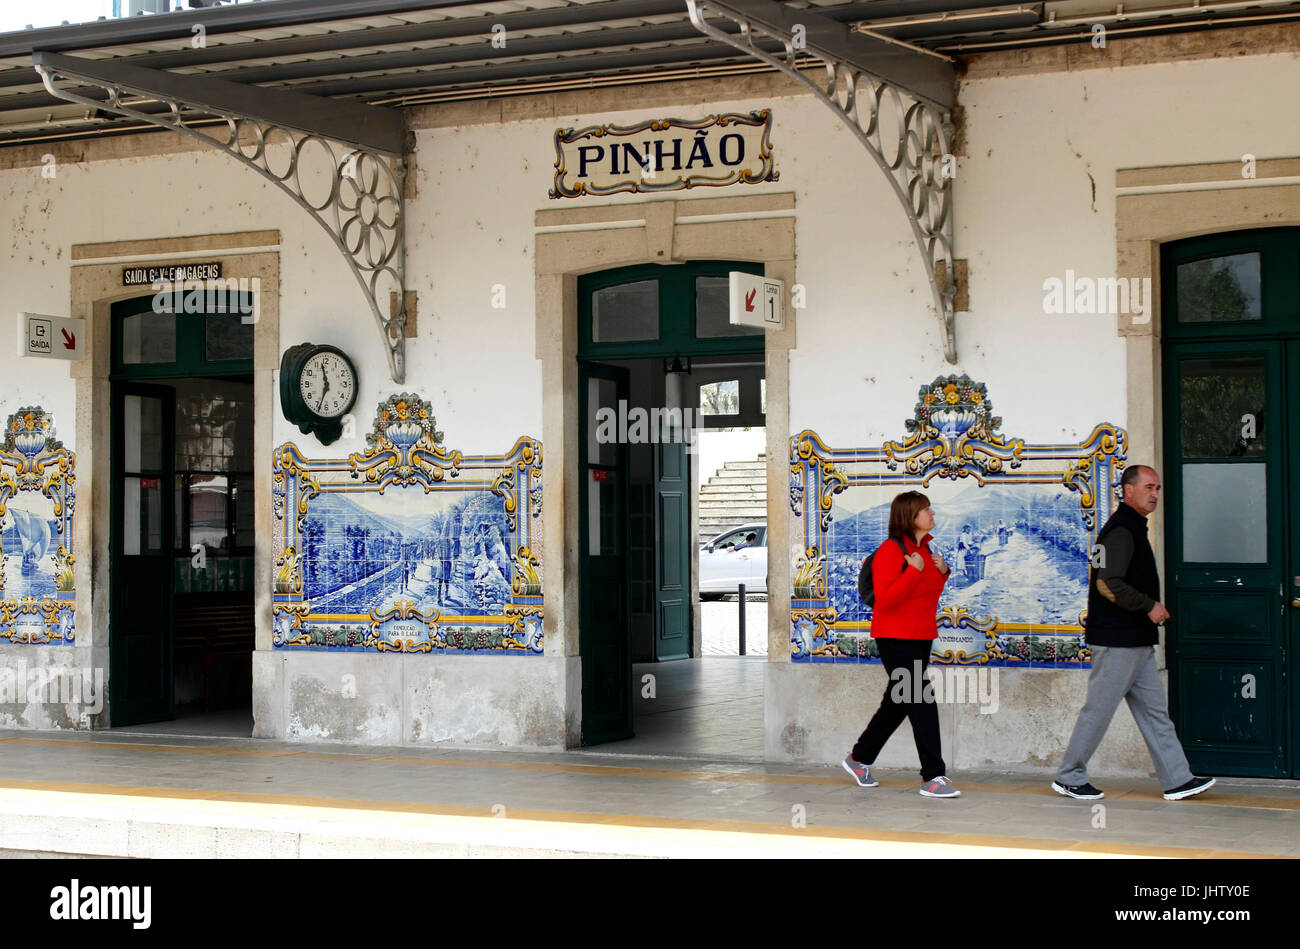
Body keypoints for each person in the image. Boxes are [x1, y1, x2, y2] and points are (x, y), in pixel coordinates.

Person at [1053, 465, 1215, 802]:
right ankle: (1069, 776)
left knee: (1154, 712)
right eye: (1148, 487)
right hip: (1117, 640)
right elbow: (1106, 583)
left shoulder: (1129, 528)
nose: (1155, 494)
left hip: (1135, 640)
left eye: (1157, 488)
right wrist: (1148, 606)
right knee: (1098, 710)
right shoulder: (1121, 531)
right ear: (1128, 490)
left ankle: (1177, 779)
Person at [842, 490, 959, 798]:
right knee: (921, 700)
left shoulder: (926, 549)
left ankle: (858, 758)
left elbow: (926, 592)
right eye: (926, 510)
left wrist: (943, 572)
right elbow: (887, 600)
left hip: (921, 635)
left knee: (897, 703)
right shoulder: (891, 552)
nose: (932, 514)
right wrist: (912, 571)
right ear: (910, 517)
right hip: (894, 636)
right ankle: (933, 776)